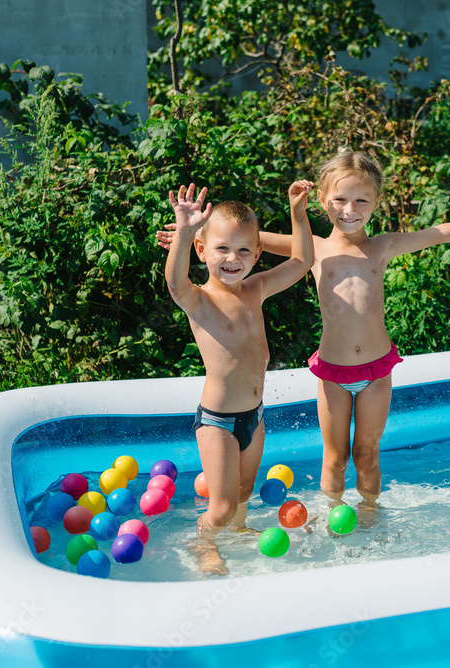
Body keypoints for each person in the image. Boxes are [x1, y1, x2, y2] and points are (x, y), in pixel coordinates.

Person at [159, 151, 450, 508]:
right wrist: (187, 238)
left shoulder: (383, 247)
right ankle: (330, 522)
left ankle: (371, 518)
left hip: (376, 370)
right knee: (335, 457)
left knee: (367, 454)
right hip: (333, 373)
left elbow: (440, 233)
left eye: (361, 201)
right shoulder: (315, 249)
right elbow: (244, 238)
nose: (349, 210)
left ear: (376, 201)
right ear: (322, 199)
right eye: (340, 199)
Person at [165, 180, 313, 574]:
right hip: (217, 421)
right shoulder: (199, 299)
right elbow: (175, 283)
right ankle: (204, 542)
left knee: (243, 495)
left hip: (255, 415)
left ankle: (239, 530)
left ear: (258, 254)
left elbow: (301, 262)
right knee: (222, 506)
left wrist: (297, 213)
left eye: (244, 250)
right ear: (202, 250)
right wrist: (183, 231)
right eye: (222, 248)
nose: (233, 258)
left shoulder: (256, 289)